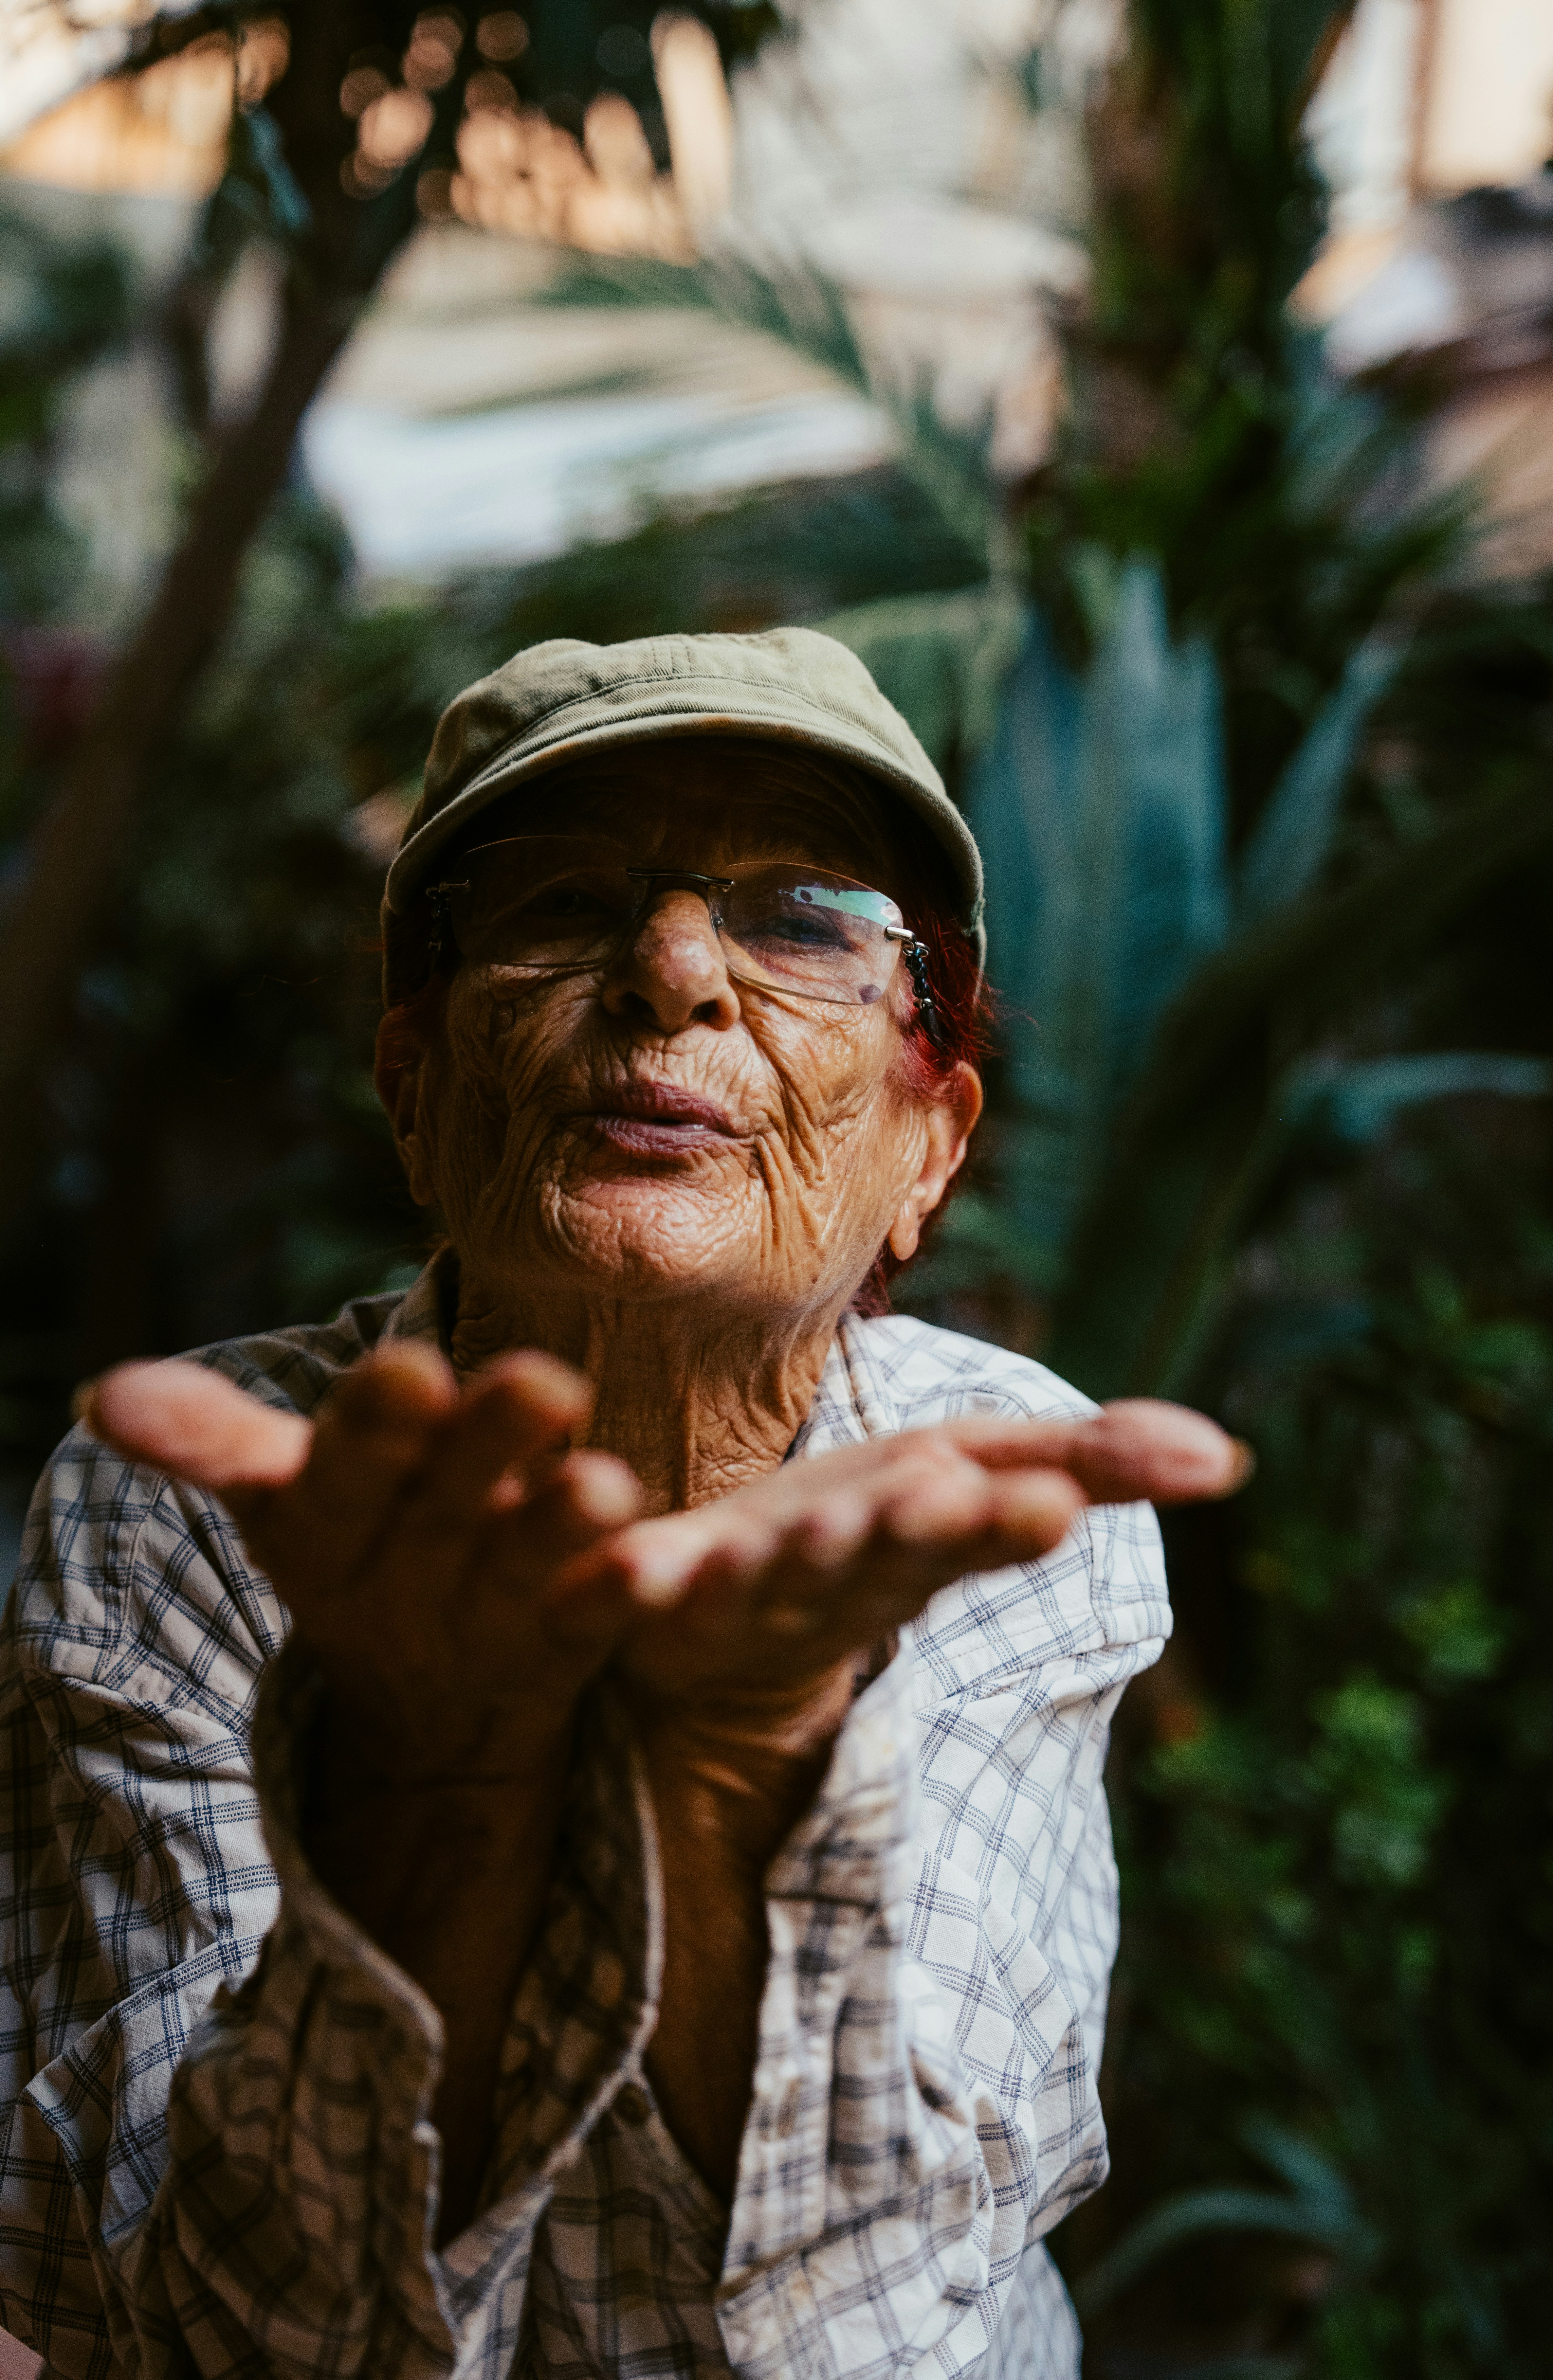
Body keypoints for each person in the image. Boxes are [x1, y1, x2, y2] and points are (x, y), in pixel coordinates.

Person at [0, 631, 1243, 2380]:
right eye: (561, 903)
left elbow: (894, 2311)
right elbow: (194, 2325)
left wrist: (738, 1768)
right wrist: (440, 1780)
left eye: (805, 917)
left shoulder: (1000, 1483)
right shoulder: (206, 1500)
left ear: (928, 1147)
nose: (672, 971)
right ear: (416, 1097)